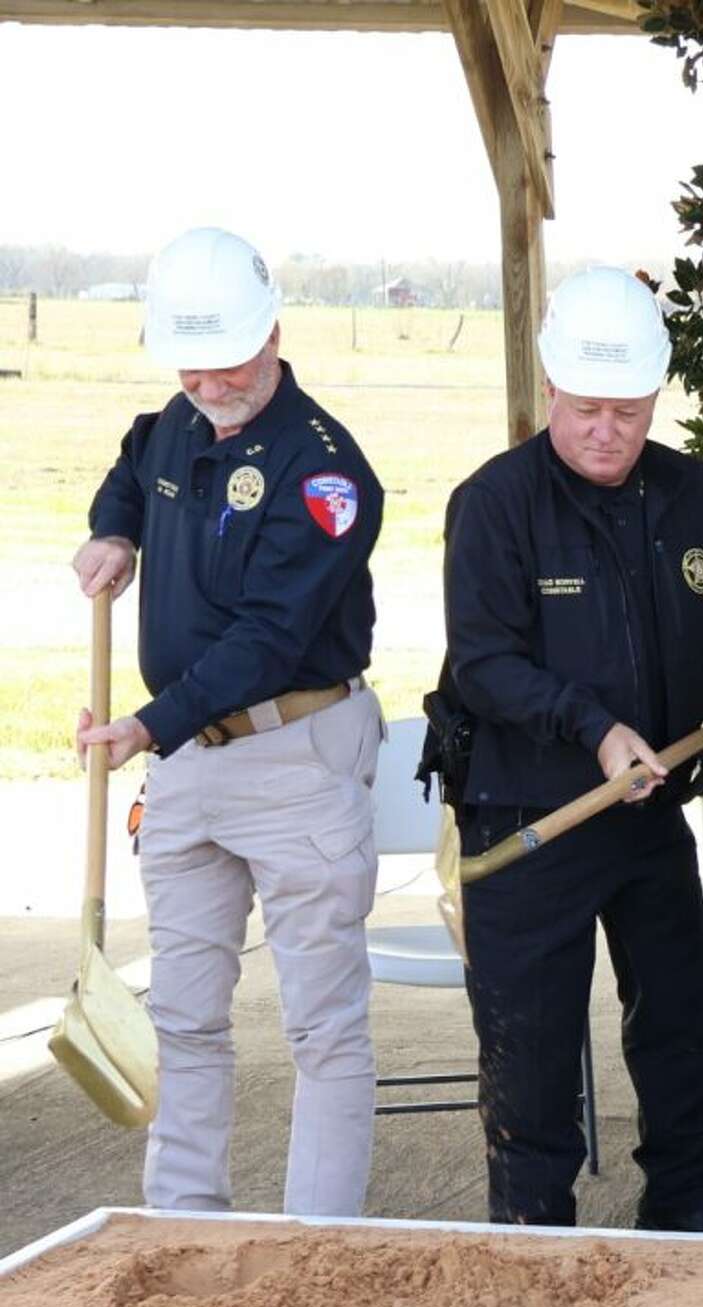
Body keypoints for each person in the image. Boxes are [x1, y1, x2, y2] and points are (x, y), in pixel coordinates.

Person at [439, 266, 703, 1231]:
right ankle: (533, 1229)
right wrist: (592, 729)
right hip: (529, 817)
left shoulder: (697, 499)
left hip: (649, 811)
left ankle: (684, 1201)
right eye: (587, 409)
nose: (606, 430)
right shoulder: (496, 505)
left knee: (677, 1012)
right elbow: (484, 663)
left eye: (627, 412)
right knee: (532, 1044)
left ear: (655, 398)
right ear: (551, 390)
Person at [71, 226, 386, 1216]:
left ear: (275, 334)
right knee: (183, 1016)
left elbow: (267, 637)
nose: (209, 387)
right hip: (187, 766)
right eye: (191, 368)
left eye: (229, 366)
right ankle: (182, 1231)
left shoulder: (327, 474)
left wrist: (147, 725)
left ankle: (317, 1255)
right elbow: (136, 457)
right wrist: (112, 526)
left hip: (293, 753)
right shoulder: (179, 417)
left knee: (322, 1027)